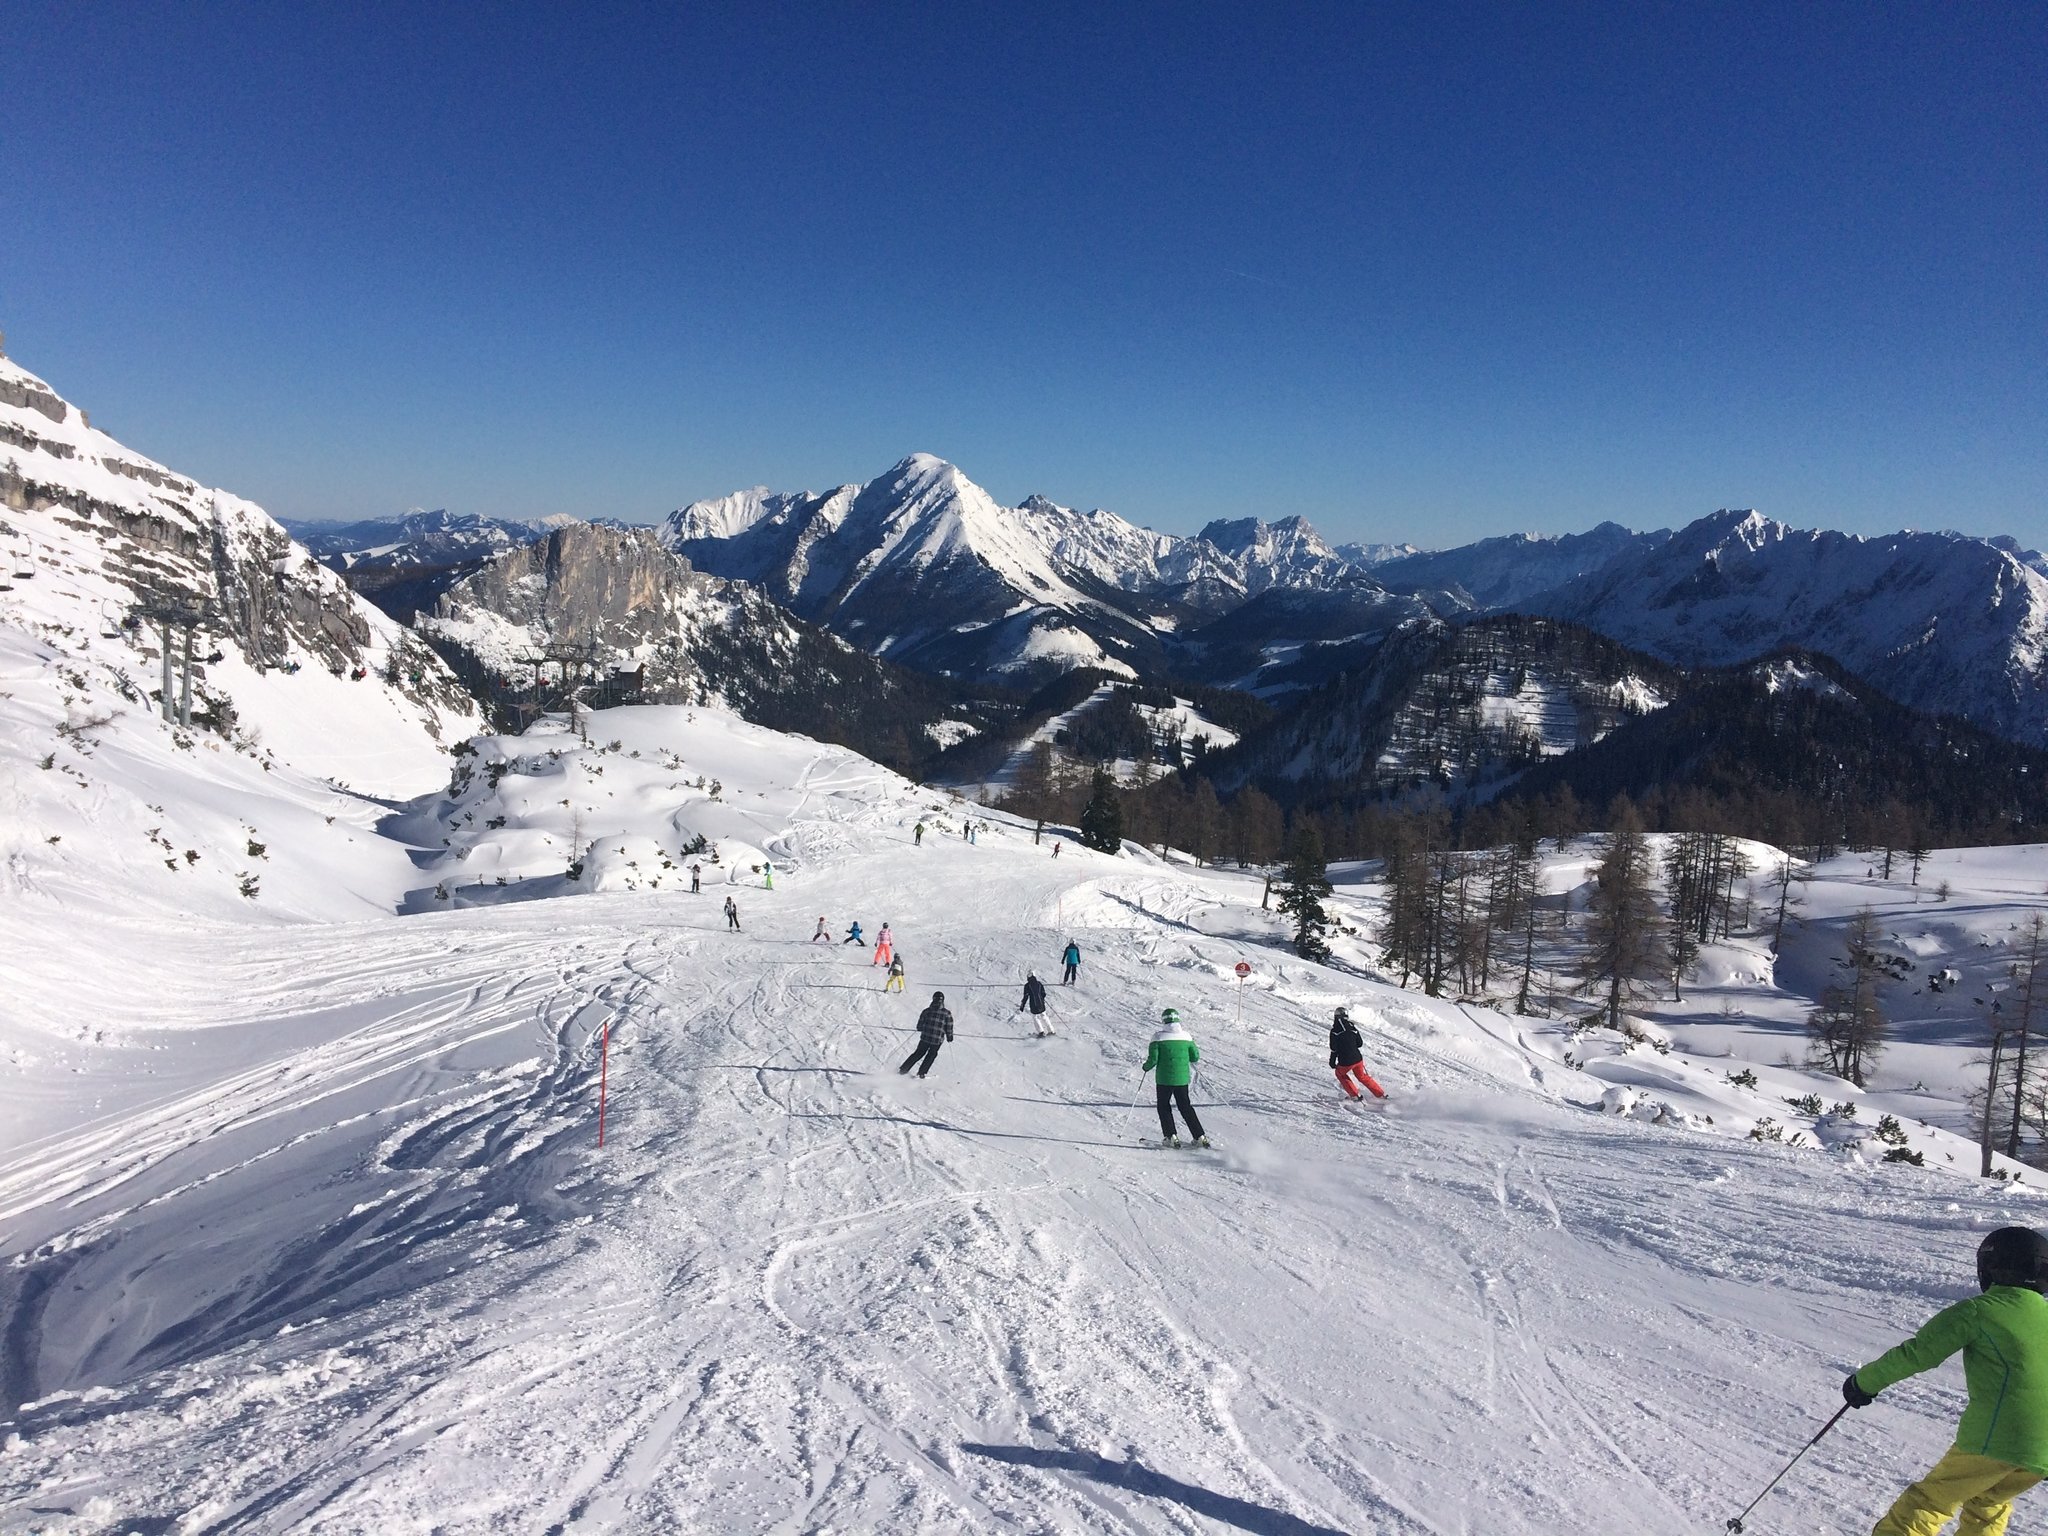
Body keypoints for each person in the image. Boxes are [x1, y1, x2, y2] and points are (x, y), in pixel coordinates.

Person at [1846, 1226, 2048, 1536]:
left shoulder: (1978, 1312)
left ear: (1991, 1268)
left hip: (1997, 1438)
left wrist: (1864, 1383)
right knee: (1987, 1505)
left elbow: (1917, 1354)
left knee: (1928, 1501)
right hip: (2041, 1452)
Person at [1144, 1009, 1208, 1147]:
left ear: (1164, 1020)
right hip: (1182, 1079)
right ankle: (1200, 1136)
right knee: (1185, 1106)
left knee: (1163, 1106)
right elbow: (1195, 1056)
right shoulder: (1186, 1037)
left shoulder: (1158, 1037)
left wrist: (1146, 1067)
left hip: (1164, 1079)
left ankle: (1170, 1135)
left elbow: (1153, 1059)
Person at [1329, 1007, 1387, 1100]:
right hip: (1358, 1059)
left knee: (1340, 1074)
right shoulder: (1352, 1027)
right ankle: (1380, 1094)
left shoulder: (1335, 1031)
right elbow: (1359, 1043)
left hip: (1345, 1061)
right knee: (1362, 1076)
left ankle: (1355, 1095)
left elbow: (1334, 1049)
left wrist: (1332, 1061)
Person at [900, 991, 953, 1078]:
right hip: (937, 1040)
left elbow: (919, 1025)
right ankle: (922, 1073)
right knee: (931, 1055)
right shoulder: (946, 1013)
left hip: (925, 1038)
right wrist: (949, 1036)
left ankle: (903, 1069)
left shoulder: (926, 1011)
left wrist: (921, 1027)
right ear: (943, 1001)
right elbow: (949, 1026)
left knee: (918, 1053)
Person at [1019, 972, 1051, 1037]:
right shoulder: (1039, 983)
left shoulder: (1027, 986)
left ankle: (1041, 1032)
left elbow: (1026, 996)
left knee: (1035, 1017)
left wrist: (1022, 1005)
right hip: (1041, 1004)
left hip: (1034, 1005)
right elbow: (1043, 993)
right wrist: (1041, 998)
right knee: (1044, 1016)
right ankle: (1051, 1031)